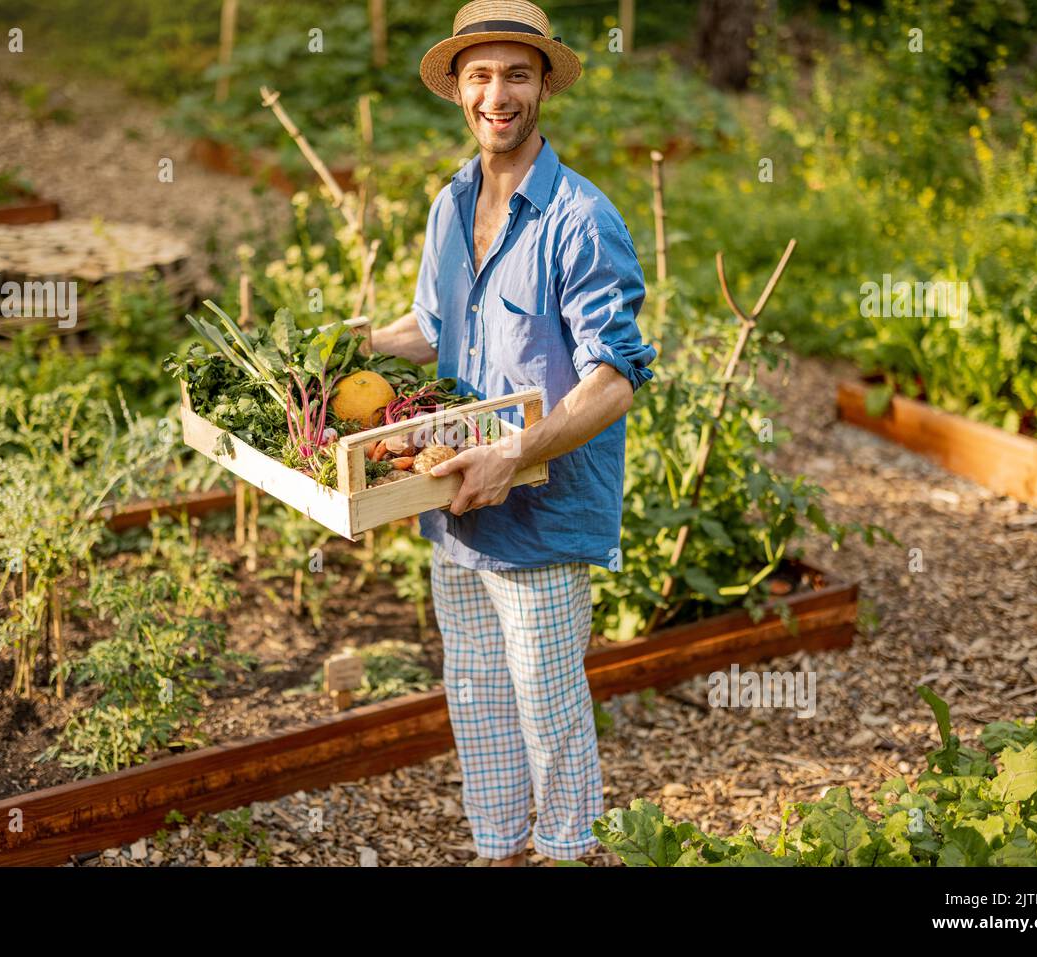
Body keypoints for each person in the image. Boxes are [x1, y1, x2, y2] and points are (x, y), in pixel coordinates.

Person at [370, 0, 657, 866]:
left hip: (540, 506)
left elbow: (616, 377)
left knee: (549, 703)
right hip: (454, 498)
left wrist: (518, 451)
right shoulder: (450, 204)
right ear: (459, 90)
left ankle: (567, 851)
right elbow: (431, 326)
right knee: (478, 692)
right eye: (481, 74)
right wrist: (350, 343)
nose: (499, 93)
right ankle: (500, 850)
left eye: (517, 74)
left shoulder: (579, 216)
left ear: (542, 88)